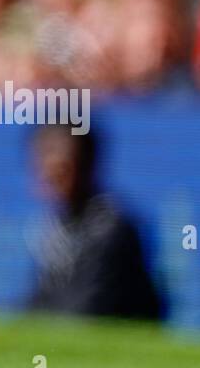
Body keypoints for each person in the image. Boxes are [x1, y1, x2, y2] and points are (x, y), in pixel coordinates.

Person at [26, 122, 164, 321]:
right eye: (41, 157)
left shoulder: (110, 227)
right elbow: (39, 303)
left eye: (61, 167)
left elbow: (87, 311)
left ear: (86, 164)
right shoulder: (57, 225)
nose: (47, 171)